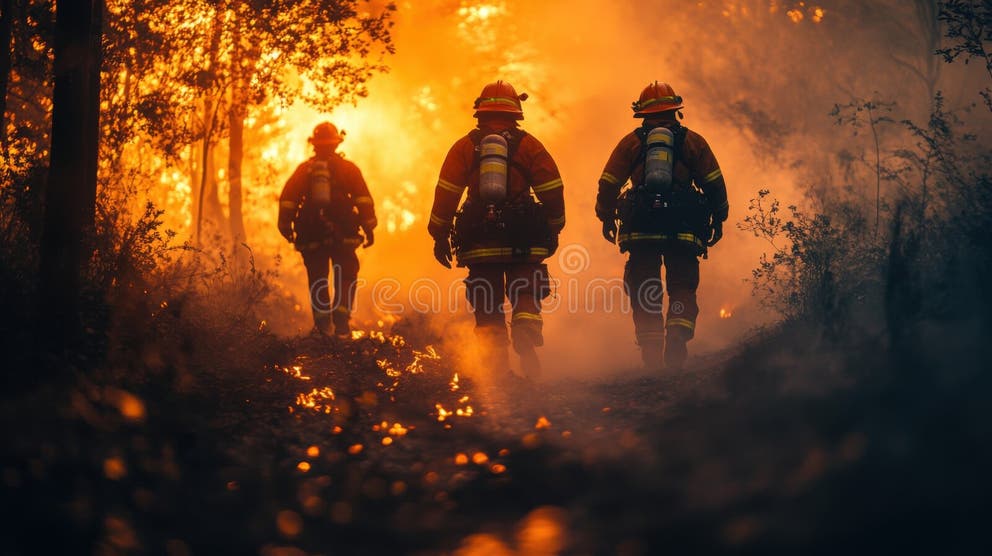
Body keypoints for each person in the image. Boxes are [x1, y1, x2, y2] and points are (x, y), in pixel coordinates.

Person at [428, 80, 565, 378]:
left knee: (487, 302)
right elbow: (551, 188)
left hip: (480, 240)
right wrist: (554, 226)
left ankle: (498, 368)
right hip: (524, 239)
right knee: (526, 291)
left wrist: (439, 234)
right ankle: (526, 336)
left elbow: (447, 194)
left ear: (480, 111)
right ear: (516, 112)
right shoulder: (529, 145)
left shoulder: (464, 147)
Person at [596, 82, 729, 370]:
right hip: (683, 226)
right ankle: (678, 336)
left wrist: (605, 216)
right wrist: (719, 217)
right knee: (682, 285)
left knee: (645, 287)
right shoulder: (693, 141)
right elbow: (714, 183)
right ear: (675, 110)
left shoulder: (631, 142)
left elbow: (608, 183)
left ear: (642, 113)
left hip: (641, 227)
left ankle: (651, 351)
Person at [278, 122, 377, 338]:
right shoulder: (349, 169)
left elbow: (288, 199)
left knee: (318, 279)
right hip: (344, 232)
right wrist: (369, 227)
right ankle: (341, 322)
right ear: (336, 143)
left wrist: (286, 226)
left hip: (311, 233)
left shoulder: (304, 170)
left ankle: (323, 327)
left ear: (314, 145)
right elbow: (363, 199)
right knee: (346, 275)